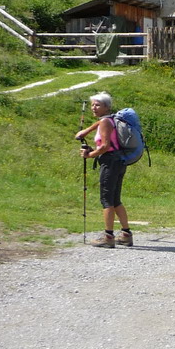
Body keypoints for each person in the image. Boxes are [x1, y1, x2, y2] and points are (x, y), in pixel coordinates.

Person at [75, 91, 131, 248]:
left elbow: (105, 146)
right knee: (115, 199)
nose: (93, 107)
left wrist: (90, 155)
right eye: (92, 104)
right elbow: (101, 128)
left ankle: (108, 237)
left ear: (107, 107)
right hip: (118, 161)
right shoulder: (110, 119)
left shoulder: (106, 122)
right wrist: (85, 132)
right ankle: (126, 235)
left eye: (97, 105)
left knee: (106, 200)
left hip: (110, 162)